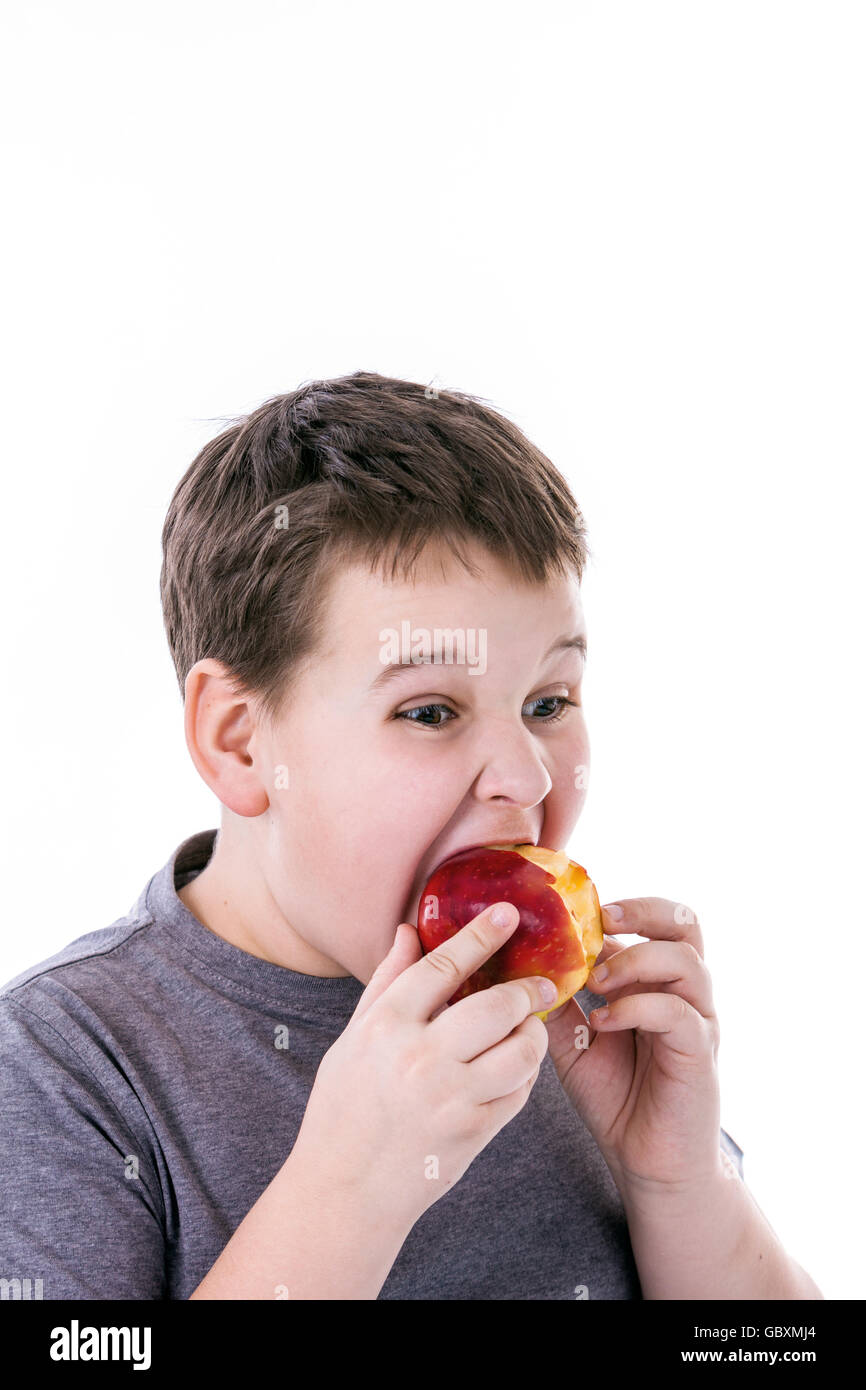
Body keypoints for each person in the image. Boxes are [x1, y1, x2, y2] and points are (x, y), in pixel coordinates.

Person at [0, 372, 821, 1299]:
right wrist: (352, 1192)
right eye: (430, 711)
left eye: (548, 701)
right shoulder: (63, 1067)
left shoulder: (572, 1023)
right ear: (238, 739)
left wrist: (677, 1181)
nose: (527, 776)